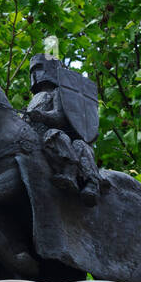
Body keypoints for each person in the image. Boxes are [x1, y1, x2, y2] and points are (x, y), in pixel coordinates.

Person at [23, 54, 104, 207]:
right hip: (33, 137)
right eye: (32, 71)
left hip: (51, 134)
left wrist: (43, 116)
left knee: (55, 136)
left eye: (38, 69)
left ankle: (71, 171)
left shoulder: (59, 93)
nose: (34, 74)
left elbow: (61, 116)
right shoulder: (36, 98)